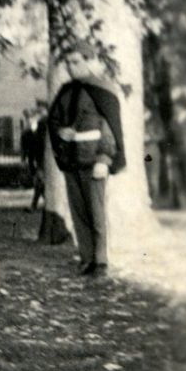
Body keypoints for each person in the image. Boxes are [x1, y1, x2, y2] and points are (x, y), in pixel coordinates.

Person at [48, 44, 127, 277]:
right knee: (79, 213)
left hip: (94, 160)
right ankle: (86, 258)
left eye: (76, 62)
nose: (71, 68)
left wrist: (104, 159)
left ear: (90, 60)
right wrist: (62, 132)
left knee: (96, 212)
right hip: (71, 160)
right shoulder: (65, 92)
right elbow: (53, 121)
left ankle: (101, 261)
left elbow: (110, 128)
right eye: (68, 63)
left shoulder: (102, 90)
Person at [20, 101, 49, 210]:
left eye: (31, 117)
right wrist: (23, 160)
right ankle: (45, 203)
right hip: (35, 159)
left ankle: (34, 205)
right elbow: (24, 147)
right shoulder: (27, 132)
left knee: (39, 182)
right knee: (39, 183)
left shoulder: (43, 128)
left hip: (43, 159)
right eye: (28, 118)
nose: (29, 120)